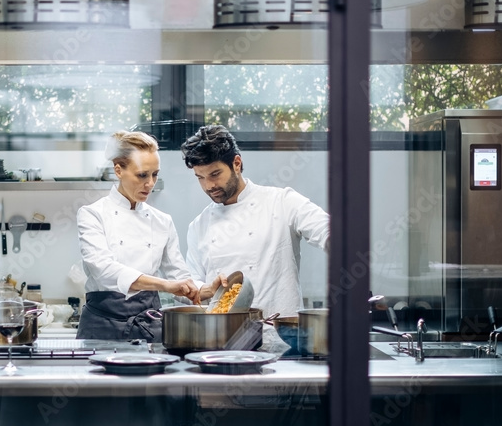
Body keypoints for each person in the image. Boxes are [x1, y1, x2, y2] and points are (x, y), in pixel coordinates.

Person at [181, 125, 330, 319]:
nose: (209, 185)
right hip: (222, 339)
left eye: (215, 174)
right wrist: (208, 289)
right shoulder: (199, 226)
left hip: (279, 335)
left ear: (236, 163)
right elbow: (191, 287)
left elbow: (326, 230)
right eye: (200, 177)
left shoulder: (281, 202)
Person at [76, 131, 200, 341]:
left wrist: (206, 289)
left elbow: (178, 277)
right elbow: (104, 270)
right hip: (101, 328)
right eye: (142, 175)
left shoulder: (162, 221)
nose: (150, 183)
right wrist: (164, 286)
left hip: (149, 326)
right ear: (119, 170)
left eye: (155, 174)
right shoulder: (92, 214)